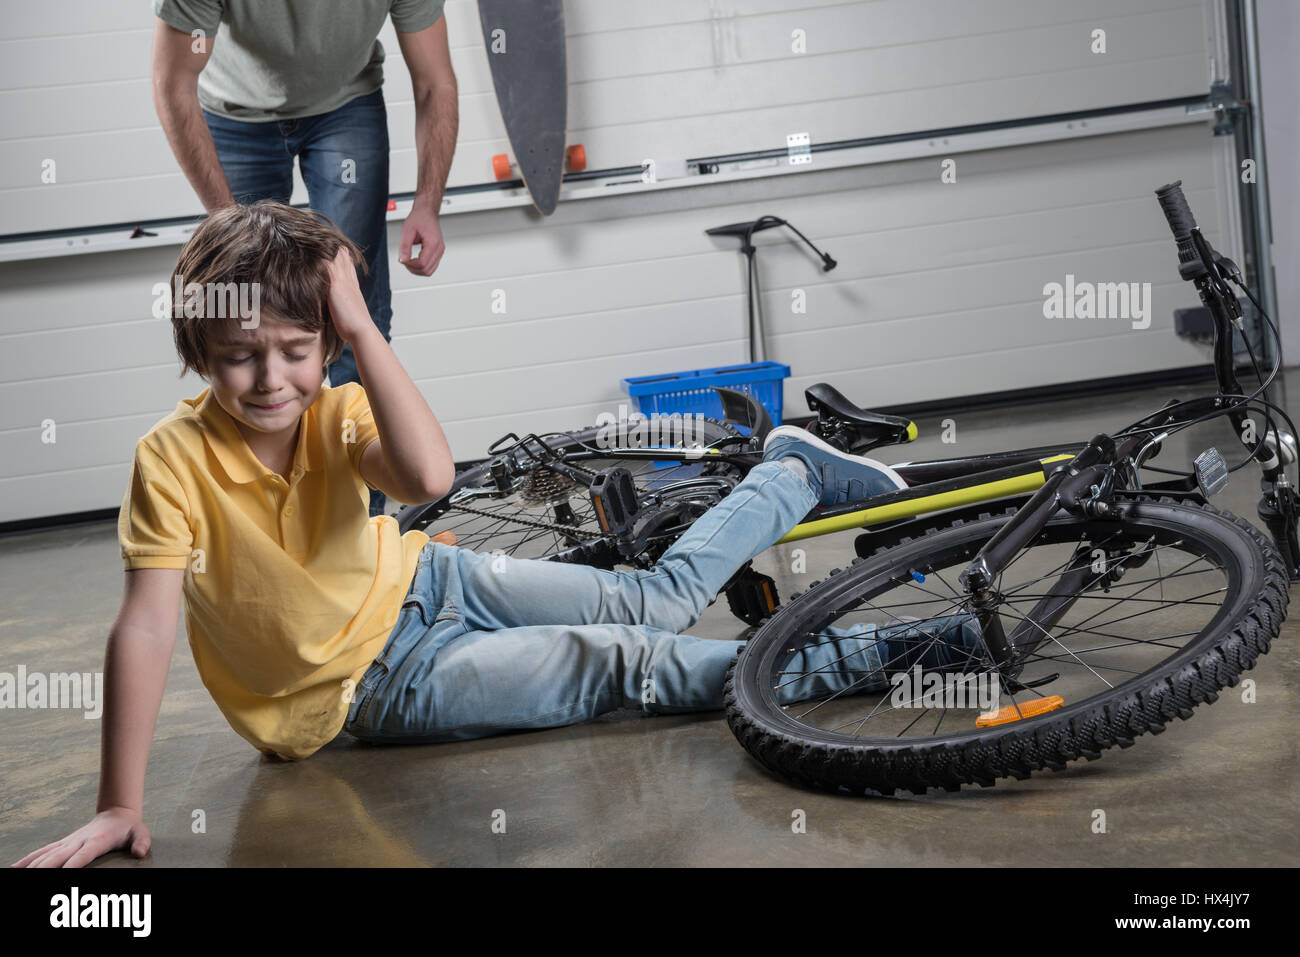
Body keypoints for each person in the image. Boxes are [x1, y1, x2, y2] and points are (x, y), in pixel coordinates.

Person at [11, 202, 979, 868]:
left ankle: (792, 471)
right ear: (199, 352)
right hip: (364, 692)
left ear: (328, 344)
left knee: (646, 596)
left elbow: (431, 476)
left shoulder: (336, 412)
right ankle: (910, 651)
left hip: (429, 583)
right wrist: (119, 803)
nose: (271, 381)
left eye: (297, 352)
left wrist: (359, 327)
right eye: (238, 358)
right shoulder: (168, 460)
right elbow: (143, 627)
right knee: (627, 665)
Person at [150, 0, 459, 518]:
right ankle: (261, 511)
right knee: (242, 311)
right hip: (233, 114)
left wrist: (428, 203)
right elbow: (172, 82)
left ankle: (365, 519)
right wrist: (234, 232)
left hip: (346, 107)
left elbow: (435, 82)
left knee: (355, 316)